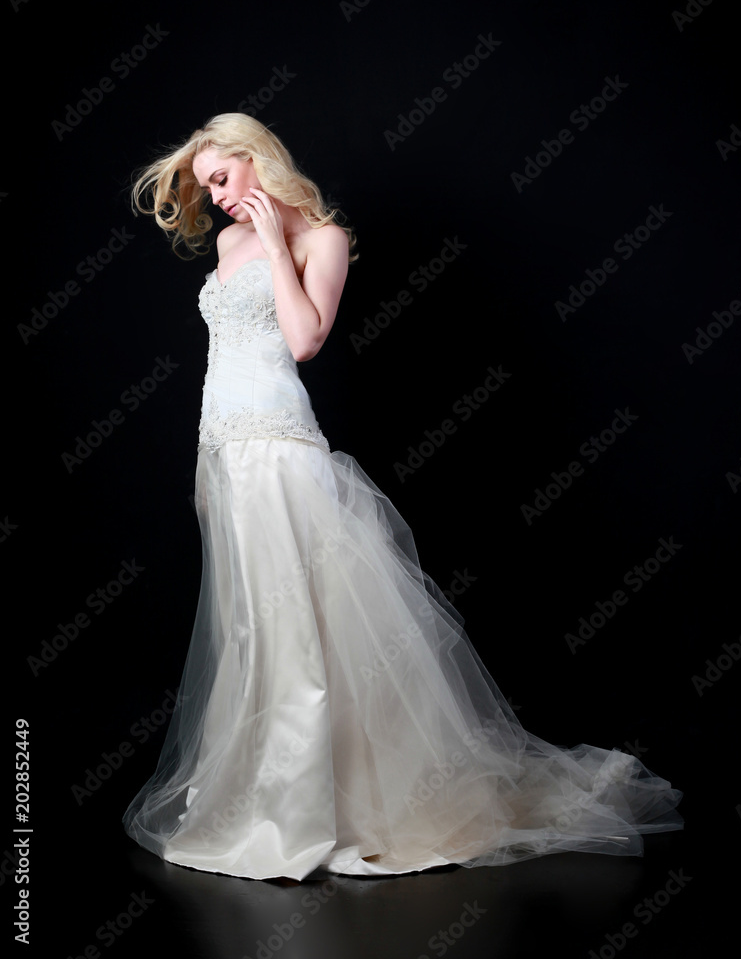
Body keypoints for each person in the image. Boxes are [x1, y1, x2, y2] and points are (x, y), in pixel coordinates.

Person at [123, 112, 683, 881]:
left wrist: (278, 250)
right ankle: (266, 792)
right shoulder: (223, 246)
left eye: (222, 178)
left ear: (259, 163)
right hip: (224, 449)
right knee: (255, 626)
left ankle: (306, 810)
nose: (215, 197)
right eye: (206, 184)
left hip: (282, 446)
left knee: (301, 630)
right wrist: (207, 460)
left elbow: (303, 339)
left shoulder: (323, 241)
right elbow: (222, 357)